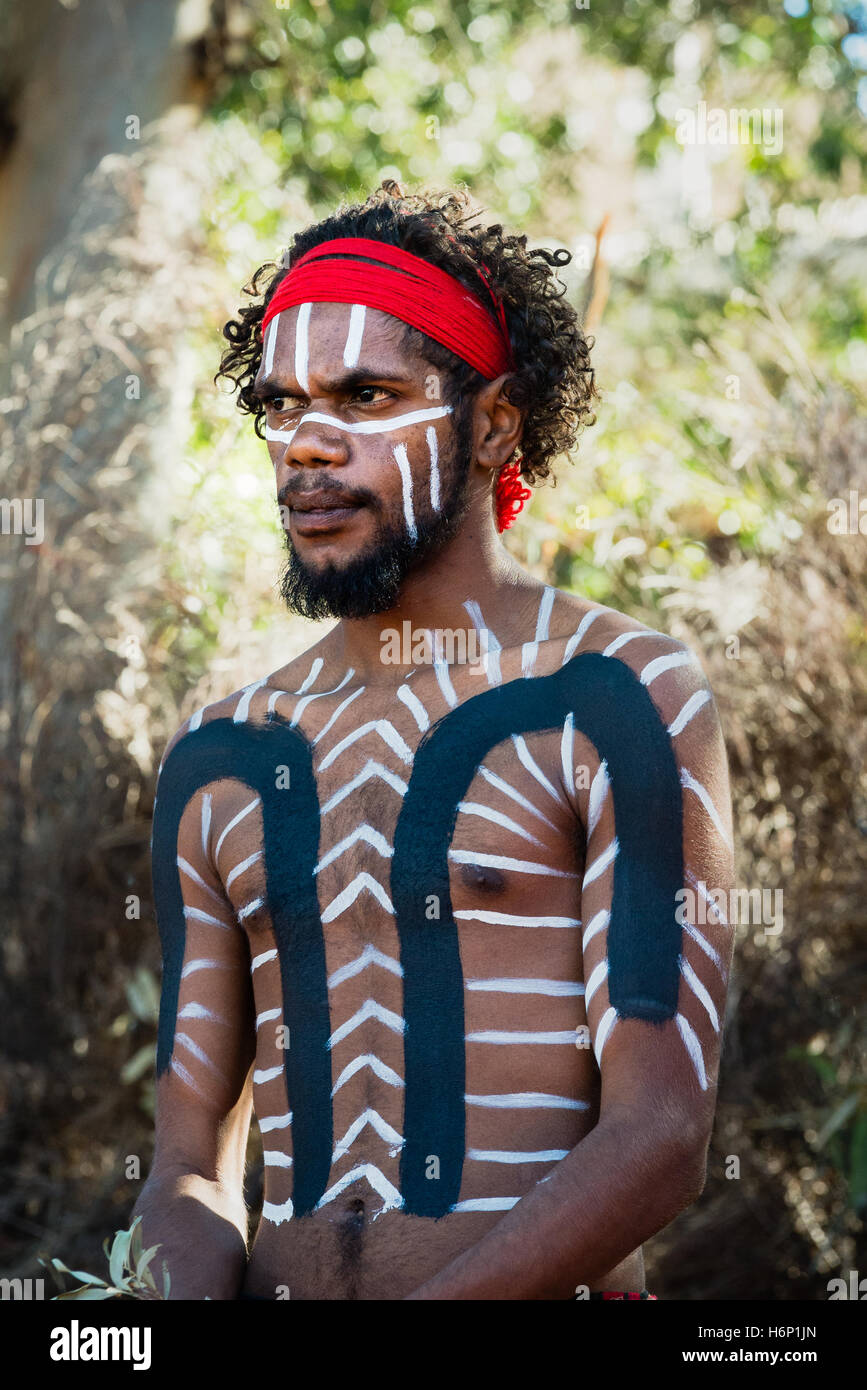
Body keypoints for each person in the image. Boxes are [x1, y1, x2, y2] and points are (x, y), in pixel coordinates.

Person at [132, 182, 735, 1300]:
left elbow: (661, 1131)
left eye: (364, 396)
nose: (308, 446)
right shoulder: (217, 757)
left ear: (493, 424)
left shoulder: (616, 699)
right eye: (283, 406)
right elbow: (186, 1168)